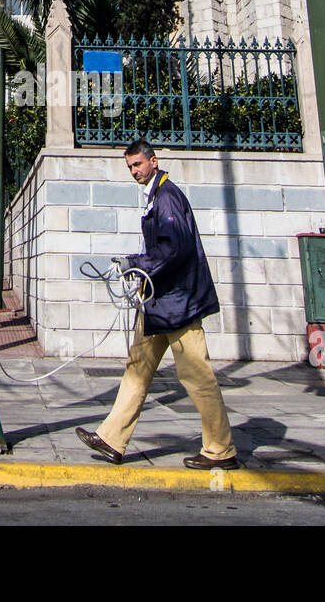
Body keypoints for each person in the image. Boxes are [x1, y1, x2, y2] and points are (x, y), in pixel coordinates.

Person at [76, 139, 238, 470]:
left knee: (197, 375)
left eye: (137, 164)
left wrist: (137, 263)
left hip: (179, 303)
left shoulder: (167, 197)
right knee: (138, 366)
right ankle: (112, 437)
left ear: (153, 161)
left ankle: (220, 449)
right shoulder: (157, 196)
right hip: (160, 302)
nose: (134, 171)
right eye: (130, 167)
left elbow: (175, 247)